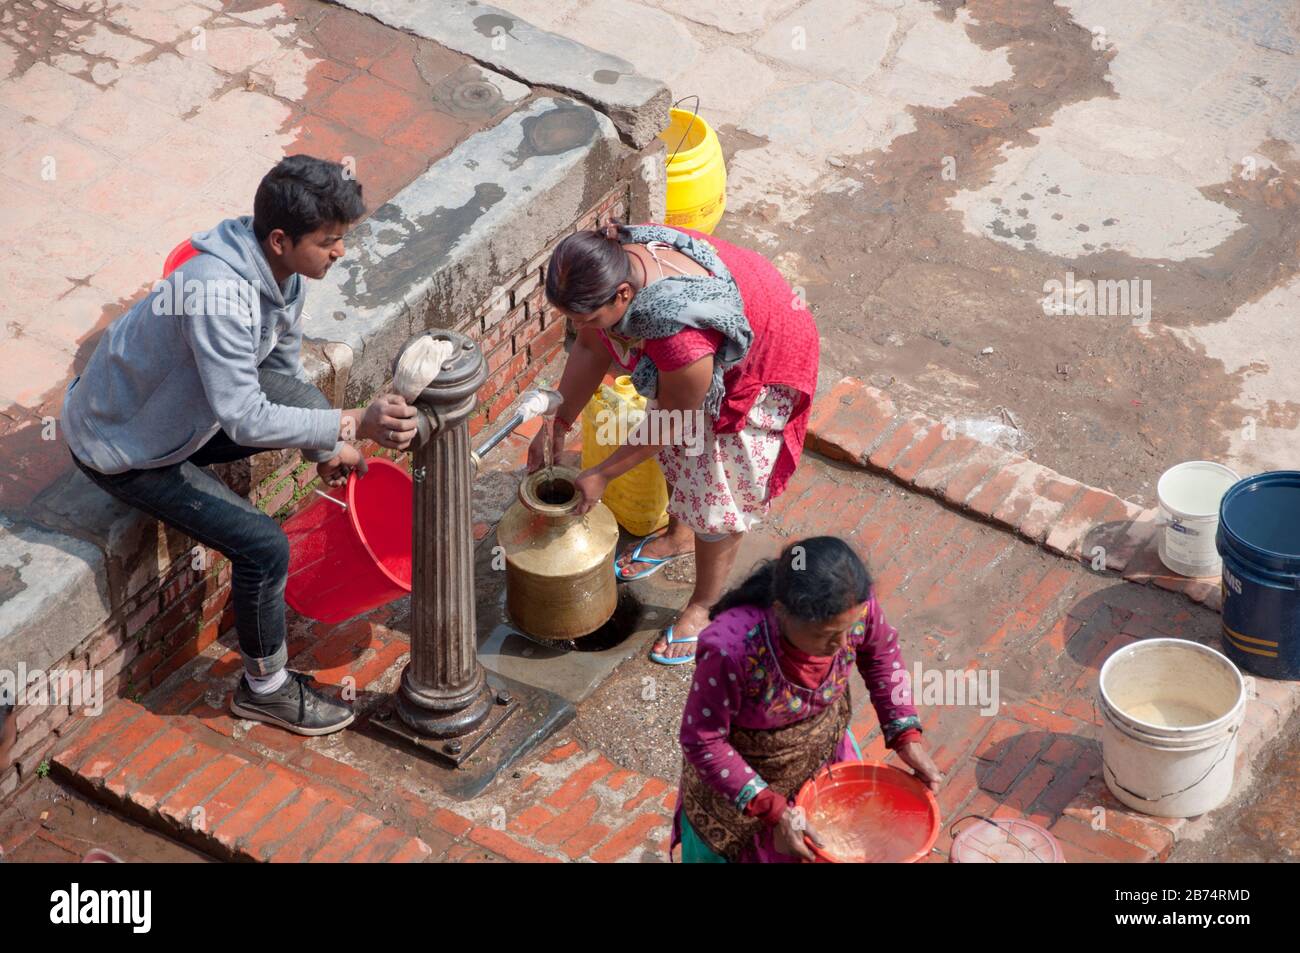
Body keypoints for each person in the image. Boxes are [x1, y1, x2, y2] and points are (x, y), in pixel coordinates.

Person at [62, 155, 418, 736]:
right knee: (265, 548)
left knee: (301, 405)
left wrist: (327, 439)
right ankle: (265, 689)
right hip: (124, 445)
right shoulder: (218, 293)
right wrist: (353, 422)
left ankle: (266, 678)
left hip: (187, 412)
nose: (340, 253)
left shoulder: (285, 275)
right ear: (281, 239)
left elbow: (281, 372)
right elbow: (247, 419)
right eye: (329, 242)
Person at [530, 221, 819, 664]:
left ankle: (705, 604)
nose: (578, 326)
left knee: (717, 496)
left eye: (585, 316)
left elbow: (674, 418)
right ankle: (679, 536)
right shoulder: (609, 265)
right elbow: (591, 346)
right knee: (684, 460)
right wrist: (558, 421)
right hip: (704, 354)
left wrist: (602, 474)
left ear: (624, 295)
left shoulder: (679, 337)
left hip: (761, 354)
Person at [671, 536, 943, 863]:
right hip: (742, 788)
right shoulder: (731, 649)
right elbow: (702, 740)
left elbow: (881, 653)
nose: (842, 645)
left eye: (848, 629)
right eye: (824, 635)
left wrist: (905, 735)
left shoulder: (854, 604)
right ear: (781, 612)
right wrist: (772, 808)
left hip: (826, 759)